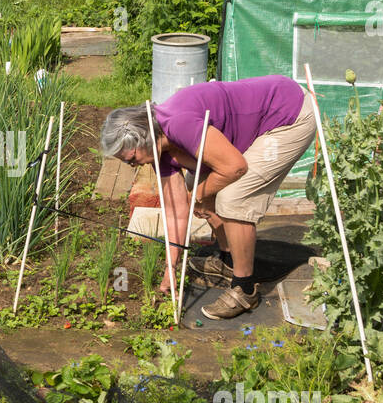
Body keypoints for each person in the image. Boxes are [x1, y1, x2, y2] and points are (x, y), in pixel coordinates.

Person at [100, 75, 318, 320]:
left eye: (131, 159)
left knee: (233, 198)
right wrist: (171, 269)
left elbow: (235, 167)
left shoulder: (178, 123)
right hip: (266, 119)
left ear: (144, 138)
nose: (131, 166)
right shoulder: (158, 148)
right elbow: (176, 211)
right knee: (200, 185)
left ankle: (244, 288)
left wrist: (199, 195)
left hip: (288, 114)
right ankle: (227, 259)